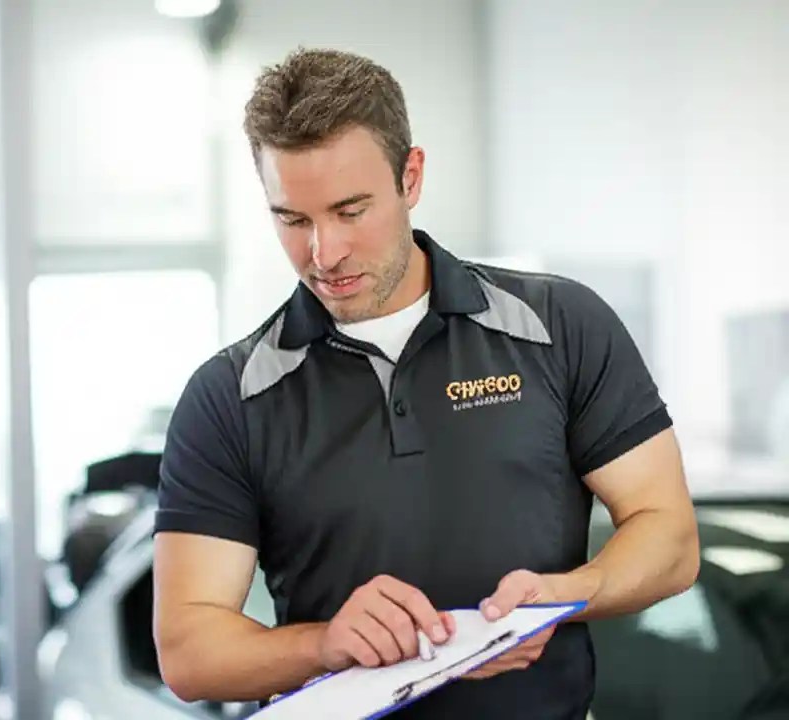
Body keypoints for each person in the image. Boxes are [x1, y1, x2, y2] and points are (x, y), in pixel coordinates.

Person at [152, 48, 700, 719]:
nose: (324, 253)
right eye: (292, 219)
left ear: (410, 177)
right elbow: (189, 652)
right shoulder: (229, 397)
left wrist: (569, 594)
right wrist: (326, 644)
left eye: (350, 210)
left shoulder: (558, 325)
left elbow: (670, 538)